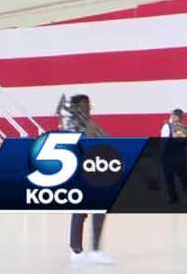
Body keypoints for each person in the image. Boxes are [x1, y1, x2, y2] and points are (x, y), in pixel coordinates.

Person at [64, 94, 112, 265]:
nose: (88, 108)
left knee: (99, 211)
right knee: (80, 212)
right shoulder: (72, 126)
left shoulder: (90, 124)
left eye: (89, 105)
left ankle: (96, 250)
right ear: (76, 108)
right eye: (84, 105)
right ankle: (76, 250)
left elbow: (106, 140)